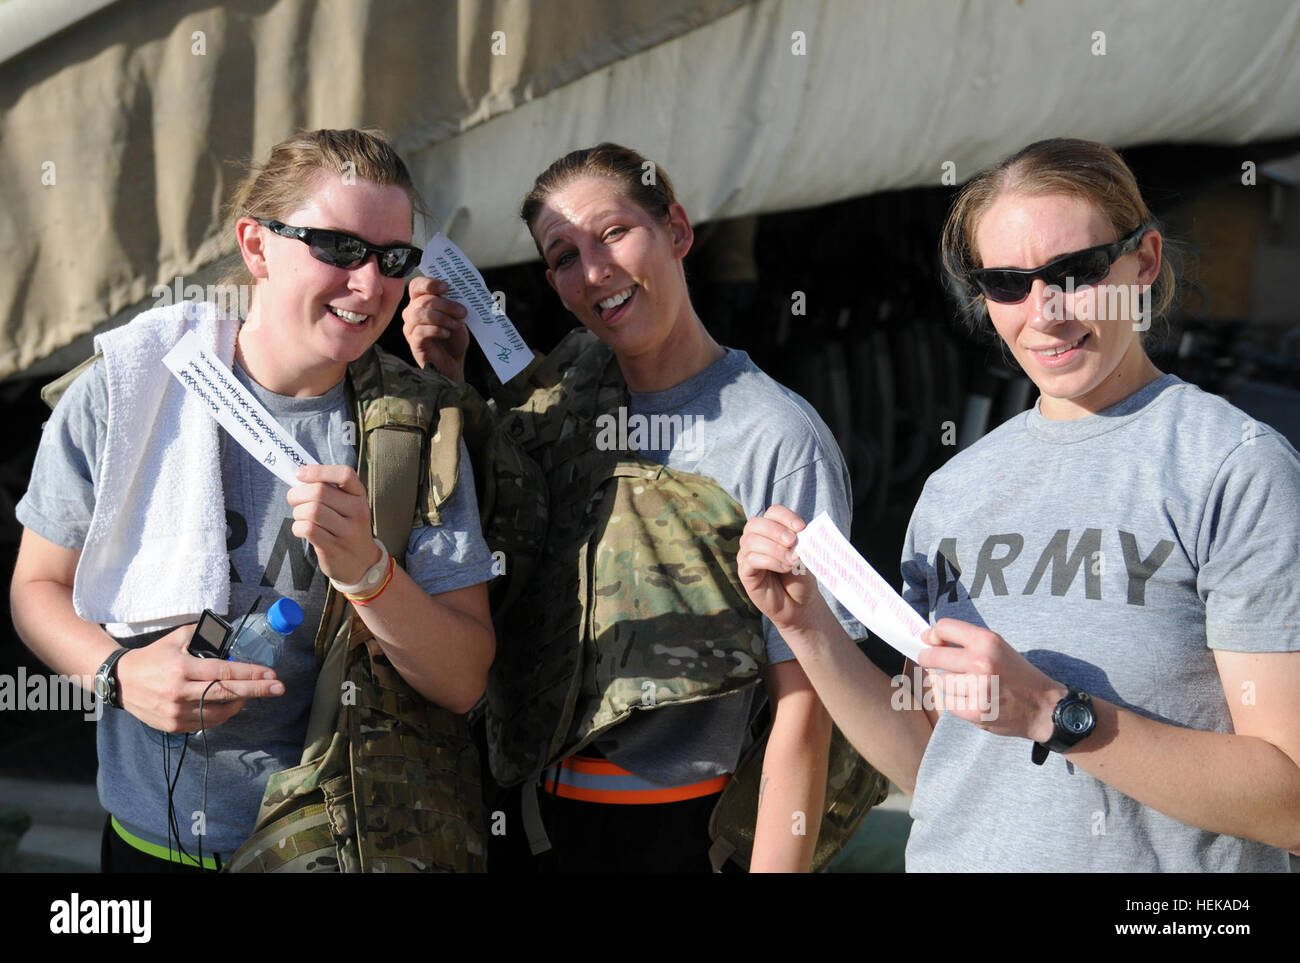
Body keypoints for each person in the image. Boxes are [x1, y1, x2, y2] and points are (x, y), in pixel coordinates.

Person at [737, 137, 1300, 871]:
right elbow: (936, 766)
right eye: (1008, 281)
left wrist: (1048, 710)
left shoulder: (1233, 468)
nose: (1047, 312)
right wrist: (808, 627)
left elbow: (1289, 801)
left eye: (1076, 270)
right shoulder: (955, 490)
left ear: (1145, 261)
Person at [10, 128, 497, 871]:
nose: (369, 284)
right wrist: (119, 674)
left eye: (393, 258)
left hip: (335, 845)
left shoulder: (418, 427)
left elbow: (464, 679)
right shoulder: (128, 392)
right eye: (337, 247)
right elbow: (37, 588)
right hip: (151, 843)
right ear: (257, 245)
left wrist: (369, 572)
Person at [403, 143, 868, 872]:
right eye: (563, 256)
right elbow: (485, 553)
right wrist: (448, 377)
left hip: (678, 832)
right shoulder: (554, 408)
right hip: (521, 818)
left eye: (614, 232)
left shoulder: (775, 438)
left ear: (678, 231)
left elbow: (807, 702)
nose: (594, 271)